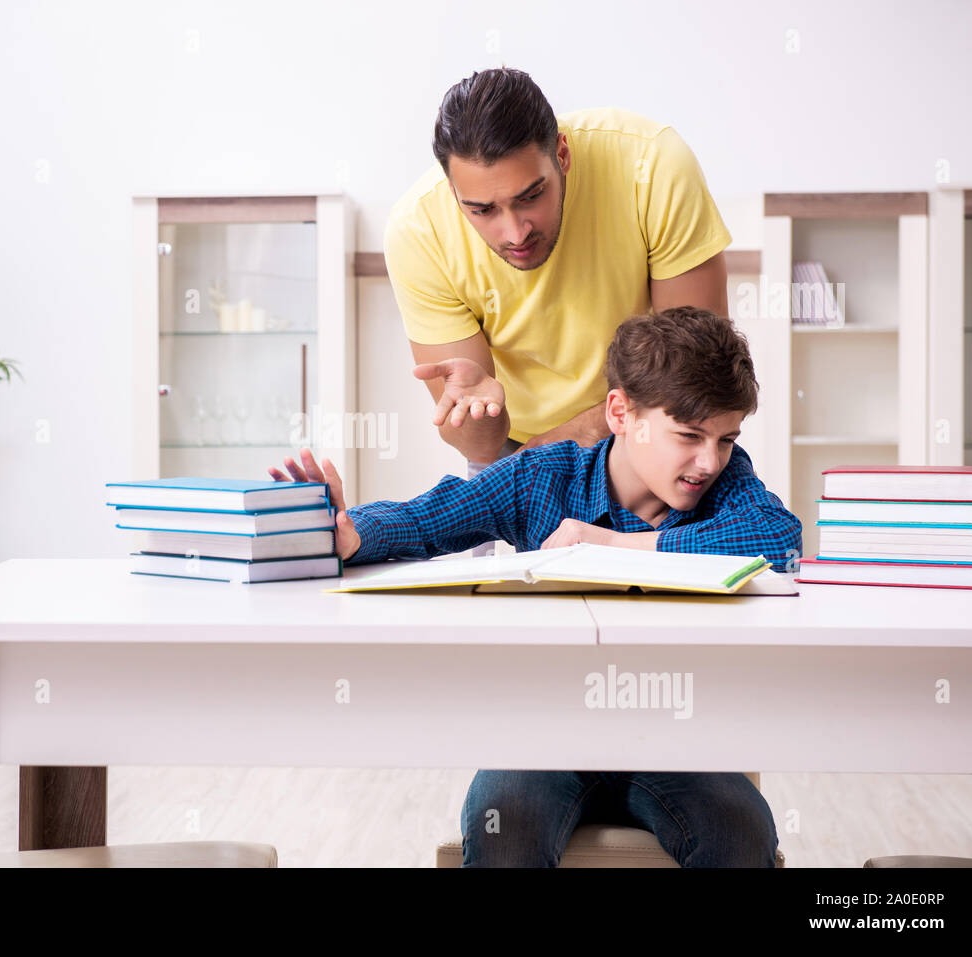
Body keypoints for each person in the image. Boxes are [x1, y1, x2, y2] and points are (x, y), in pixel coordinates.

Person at [267, 306, 801, 867]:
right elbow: (429, 518)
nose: (709, 460)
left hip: (676, 739)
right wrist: (353, 537)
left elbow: (780, 538)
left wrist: (610, 549)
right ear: (620, 412)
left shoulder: (728, 477)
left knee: (739, 830)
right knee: (506, 827)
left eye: (726, 439)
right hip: (546, 734)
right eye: (689, 436)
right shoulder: (541, 477)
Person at [385, 68, 732, 554]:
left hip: (648, 444)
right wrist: (484, 417)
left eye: (531, 196)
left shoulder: (652, 164)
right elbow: (481, 451)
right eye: (482, 210)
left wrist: (558, 449)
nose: (515, 232)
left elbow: (698, 376)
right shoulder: (418, 233)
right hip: (518, 462)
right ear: (452, 193)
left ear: (563, 155)